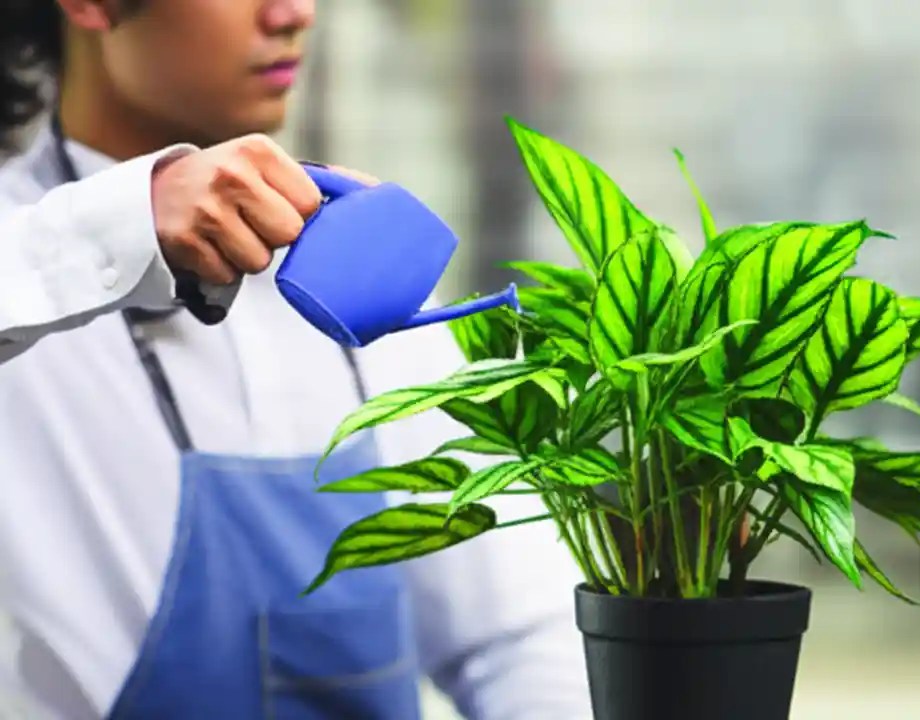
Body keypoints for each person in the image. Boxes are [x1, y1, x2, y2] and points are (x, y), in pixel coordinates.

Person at [0, 1, 591, 718]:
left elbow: (517, 631)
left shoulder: (353, 264)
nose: (295, 12)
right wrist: (129, 226)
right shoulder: (28, 270)